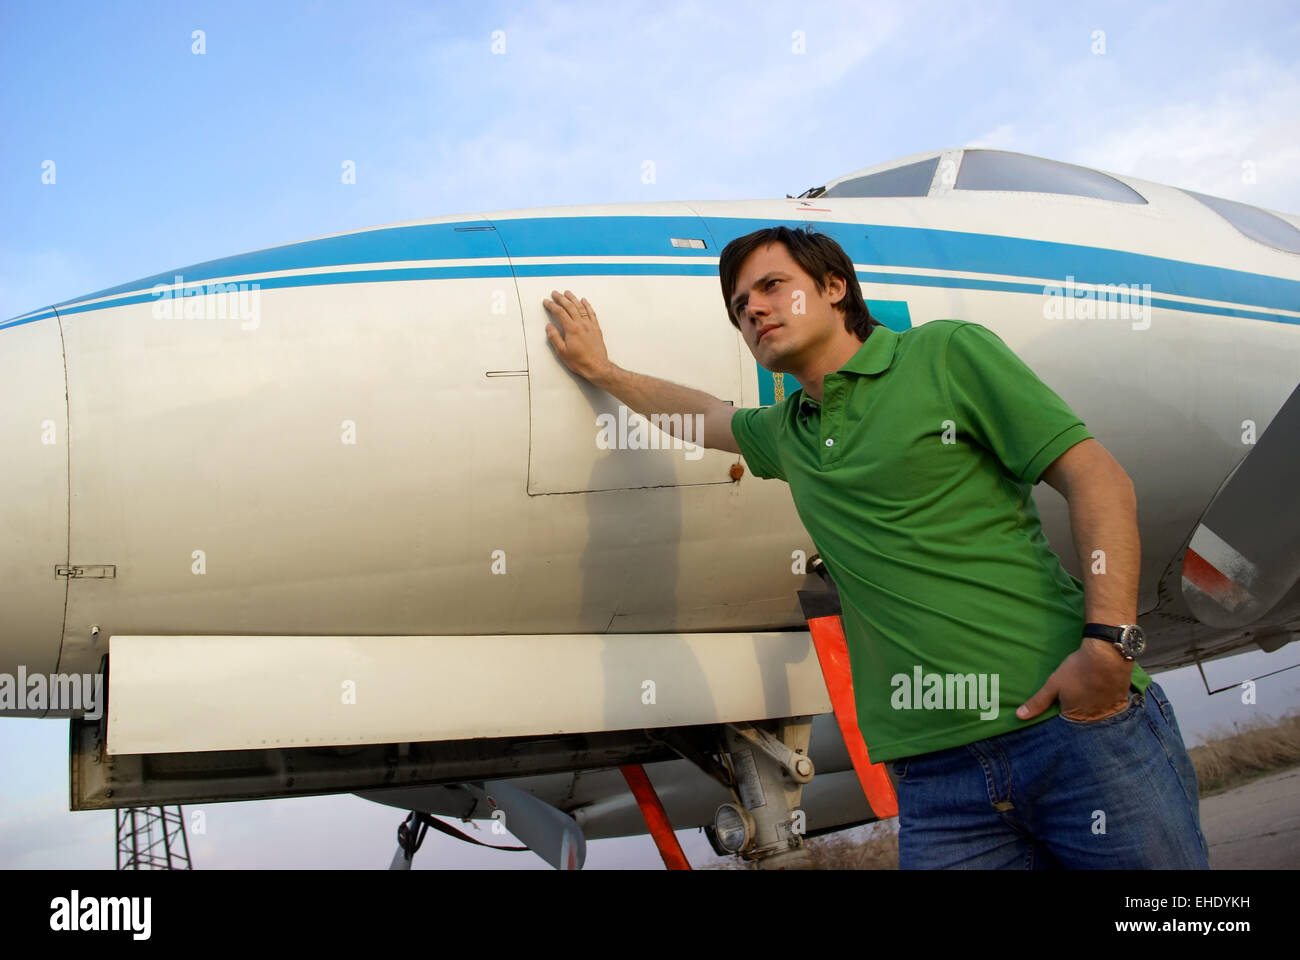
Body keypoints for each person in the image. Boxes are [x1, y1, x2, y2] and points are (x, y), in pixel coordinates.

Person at [542, 223, 1209, 869]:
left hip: (1073, 730)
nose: (755, 310)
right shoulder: (789, 433)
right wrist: (600, 369)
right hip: (933, 778)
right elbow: (702, 416)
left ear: (835, 287)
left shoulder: (944, 354)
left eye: (773, 286)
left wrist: (1109, 646)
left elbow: (1098, 478)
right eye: (740, 306)